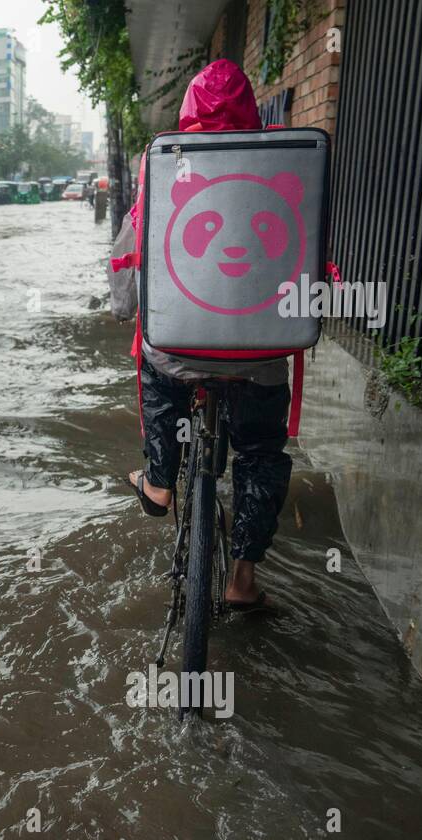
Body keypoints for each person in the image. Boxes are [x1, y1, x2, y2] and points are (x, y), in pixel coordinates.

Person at [121, 60, 292, 610]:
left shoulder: (165, 166)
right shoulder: (281, 167)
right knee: (261, 452)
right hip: (260, 357)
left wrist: (124, 308)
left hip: (177, 351)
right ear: (253, 113)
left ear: (187, 112)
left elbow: (130, 266)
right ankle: (242, 582)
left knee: (157, 366)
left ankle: (159, 482)